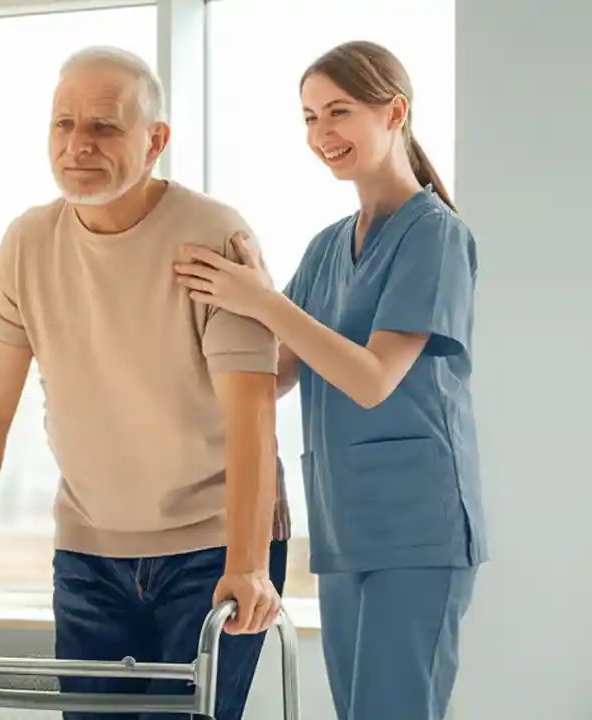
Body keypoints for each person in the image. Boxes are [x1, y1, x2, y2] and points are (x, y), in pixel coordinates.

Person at [0, 46, 290, 719]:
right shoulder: (26, 244)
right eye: (64, 125)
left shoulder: (212, 235)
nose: (78, 146)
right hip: (89, 551)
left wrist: (249, 562)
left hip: (211, 547)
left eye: (104, 128)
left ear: (155, 141)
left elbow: (251, 414)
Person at [174, 40, 487, 720]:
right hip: (345, 525)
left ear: (395, 111)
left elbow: (373, 379)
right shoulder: (326, 247)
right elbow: (280, 372)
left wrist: (263, 300)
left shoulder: (435, 235)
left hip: (418, 529)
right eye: (310, 117)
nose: (321, 134)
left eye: (338, 112)